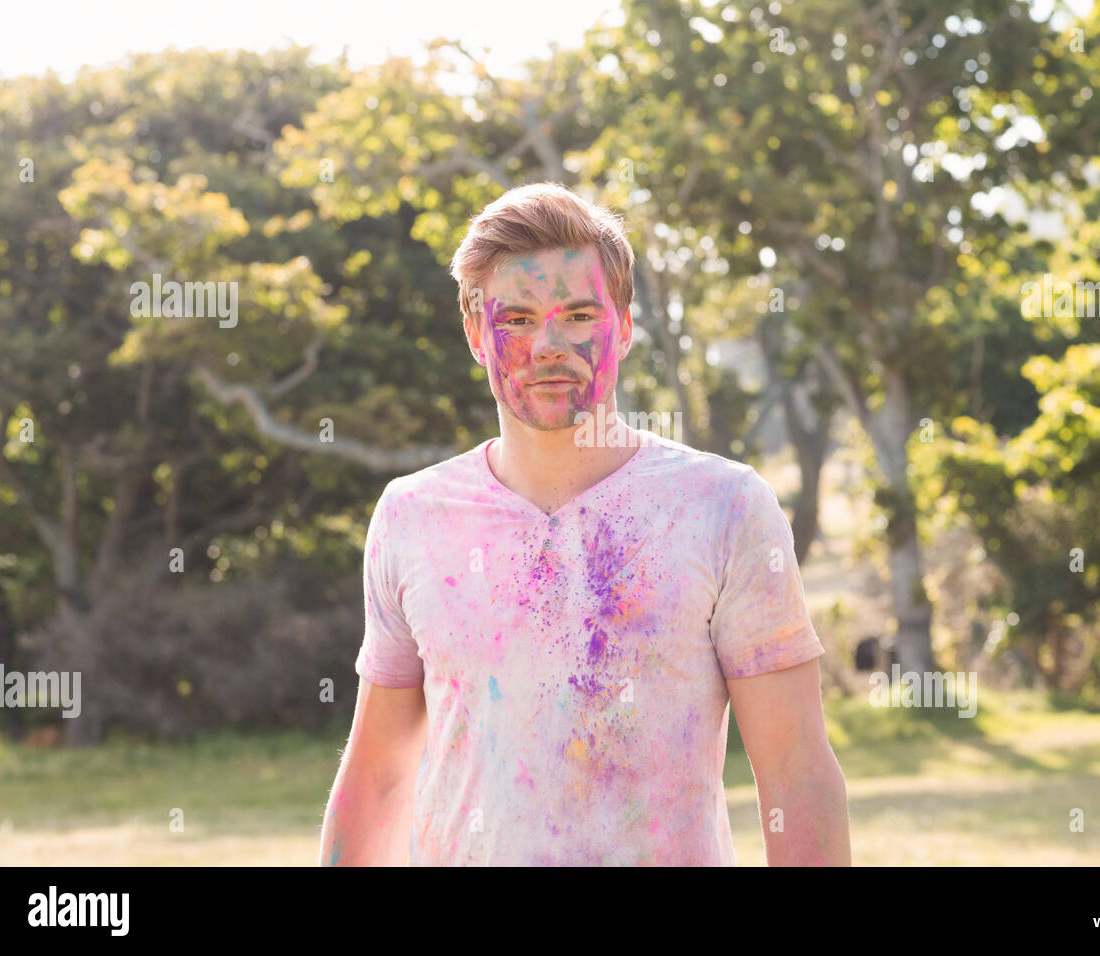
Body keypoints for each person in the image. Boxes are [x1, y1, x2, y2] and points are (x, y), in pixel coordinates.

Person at [319, 182, 850, 866]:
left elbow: (797, 772)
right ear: (476, 334)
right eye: (515, 320)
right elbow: (379, 778)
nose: (548, 345)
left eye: (577, 315)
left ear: (623, 327)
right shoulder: (412, 517)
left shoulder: (724, 507)